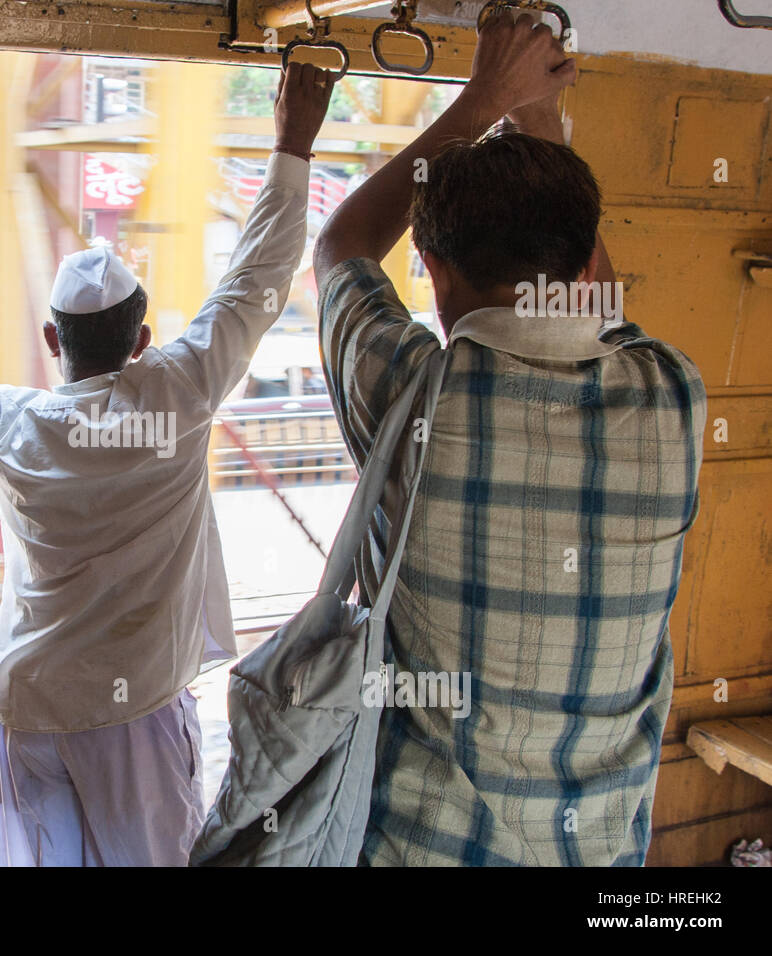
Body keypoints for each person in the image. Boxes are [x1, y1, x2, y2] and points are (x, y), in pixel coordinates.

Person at [0, 61, 336, 866]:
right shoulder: (179, 390)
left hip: (28, 708)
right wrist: (292, 143)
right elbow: (258, 280)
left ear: (54, 341)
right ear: (142, 337)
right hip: (131, 720)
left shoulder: (12, 425)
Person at [312, 14, 705, 866]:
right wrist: (539, 126)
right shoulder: (672, 394)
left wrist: (485, 98)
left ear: (436, 271)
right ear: (581, 261)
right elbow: (596, 308)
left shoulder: (411, 394)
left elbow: (341, 245)